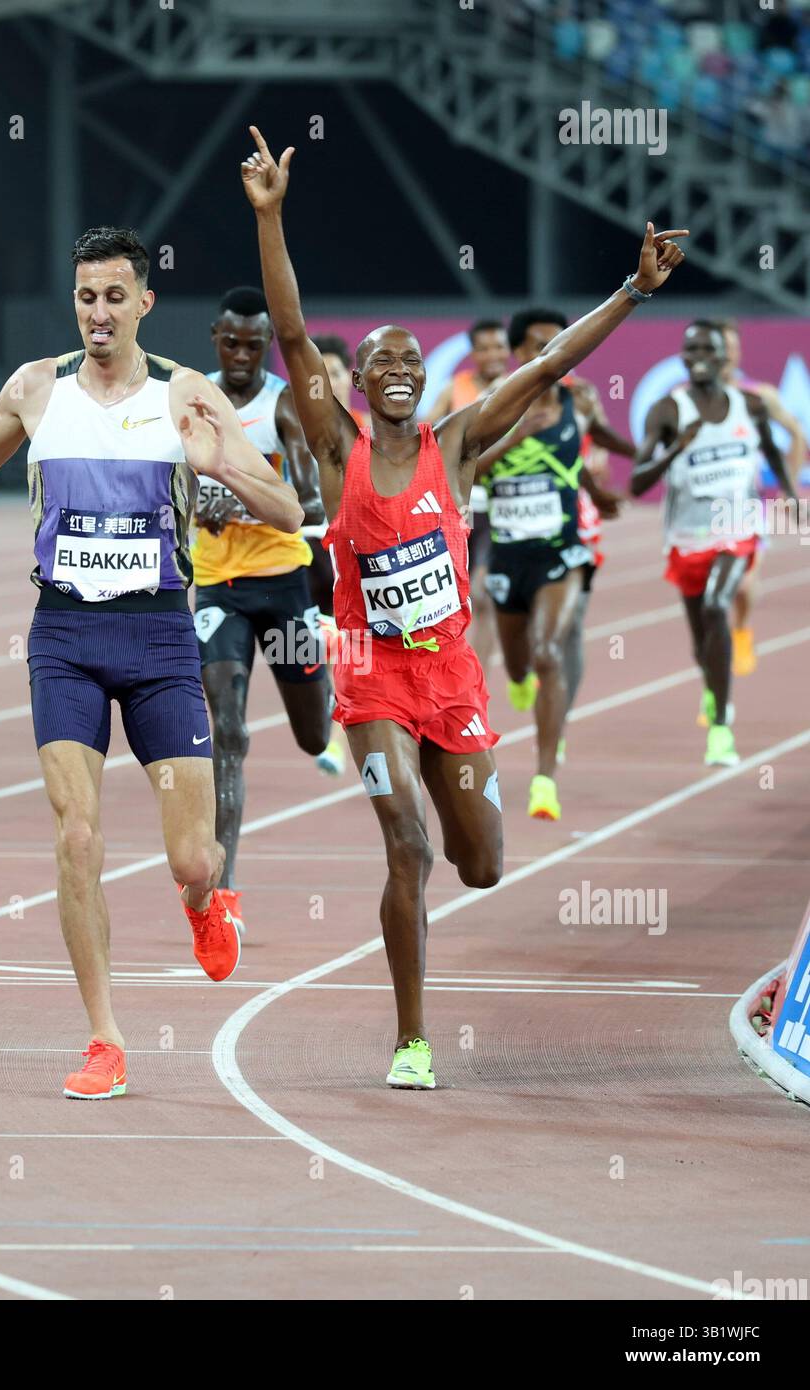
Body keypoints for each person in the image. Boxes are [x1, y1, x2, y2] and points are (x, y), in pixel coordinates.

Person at [242, 123, 687, 1088]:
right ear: (357, 383)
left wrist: (632, 291)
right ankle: (412, 1040)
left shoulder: (461, 438)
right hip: (367, 671)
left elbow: (550, 365)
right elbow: (288, 331)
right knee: (406, 845)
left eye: (412, 362)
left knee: (479, 863)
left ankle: (461, 821)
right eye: (382, 364)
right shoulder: (336, 444)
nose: (398, 372)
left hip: (450, 672)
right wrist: (271, 219)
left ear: (429, 381)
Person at [0, 226, 304, 1101]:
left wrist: (223, 471)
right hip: (64, 638)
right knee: (77, 838)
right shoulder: (33, 388)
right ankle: (105, 1040)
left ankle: (206, 901)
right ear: (77, 303)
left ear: (143, 302)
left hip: (161, 641)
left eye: (113, 297)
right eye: (85, 297)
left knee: (193, 859)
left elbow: (287, 508)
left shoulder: (189, 395)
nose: (98, 313)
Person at [193, 287, 344, 937]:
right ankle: (223, 893)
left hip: (283, 584)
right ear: (215, 338)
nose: (244, 356)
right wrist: (190, 503)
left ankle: (327, 691)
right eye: (233, 343)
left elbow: (310, 502)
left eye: (256, 345)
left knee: (313, 735)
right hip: (218, 584)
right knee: (229, 730)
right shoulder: (190, 398)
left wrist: (237, 495)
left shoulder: (281, 402)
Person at [477, 307, 628, 821]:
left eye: (558, 345)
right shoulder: (495, 405)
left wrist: (598, 489)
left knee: (549, 651)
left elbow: (576, 455)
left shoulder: (578, 399)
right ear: (518, 352)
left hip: (561, 553)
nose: (552, 357)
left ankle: (545, 779)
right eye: (540, 346)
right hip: (507, 558)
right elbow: (465, 469)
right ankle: (518, 679)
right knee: (517, 662)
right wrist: (518, 435)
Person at [631, 320, 795, 766]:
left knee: (717, 606)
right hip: (686, 536)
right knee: (702, 638)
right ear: (683, 357)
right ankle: (712, 686)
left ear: (726, 357)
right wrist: (673, 449)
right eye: (692, 348)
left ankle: (720, 728)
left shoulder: (751, 405)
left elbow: (773, 450)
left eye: (709, 347)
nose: (700, 354)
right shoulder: (668, 410)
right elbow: (636, 482)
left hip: (738, 527)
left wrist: (791, 494)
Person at [715, 316, 807, 677]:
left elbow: (797, 435)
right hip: (697, 510)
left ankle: (740, 630)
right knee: (705, 595)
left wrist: (788, 489)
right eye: (720, 347)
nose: (727, 355)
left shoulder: (759, 395)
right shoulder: (682, 399)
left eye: (732, 347)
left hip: (742, 506)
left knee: (743, 583)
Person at [428, 320, 511, 671]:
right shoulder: (455, 388)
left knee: (484, 595)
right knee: (447, 594)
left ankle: (476, 677)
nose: (492, 355)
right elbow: (428, 433)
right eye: (484, 348)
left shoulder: (515, 387)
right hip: (459, 504)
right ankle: (443, 666)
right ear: (473, 353)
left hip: (500, 505)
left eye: (498, 347)